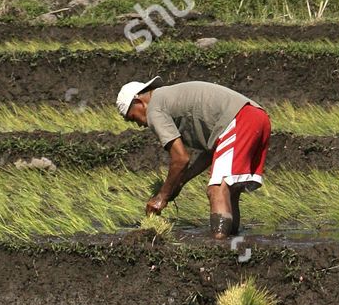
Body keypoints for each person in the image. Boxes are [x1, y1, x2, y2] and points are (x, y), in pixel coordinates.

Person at [116, 76, 271, 239]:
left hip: (240, 119)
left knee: (216, 189)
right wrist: (181, 181)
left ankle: (219, 249)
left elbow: (180, 159)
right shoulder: (166, 99)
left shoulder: (154, 108)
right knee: (230, 191)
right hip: (257, 117)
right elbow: (211, 151)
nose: (140, 125)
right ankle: (231, 246)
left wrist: (161, 197)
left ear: (139, 103)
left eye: (133, 118)